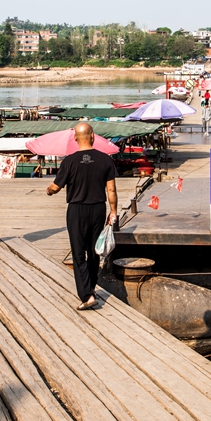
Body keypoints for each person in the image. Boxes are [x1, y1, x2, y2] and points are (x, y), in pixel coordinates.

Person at [47, 123, 119, 310]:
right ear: (93, 136)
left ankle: (86, 295)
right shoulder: (105, 160)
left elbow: (55, 187)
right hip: (97, 209)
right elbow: (111, 189)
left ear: (76, 139)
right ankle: (92, 288)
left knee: (79, 253)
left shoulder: (69, 161)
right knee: (95, 251)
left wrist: (49, 190)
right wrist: (113, 211)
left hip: (76, 210)